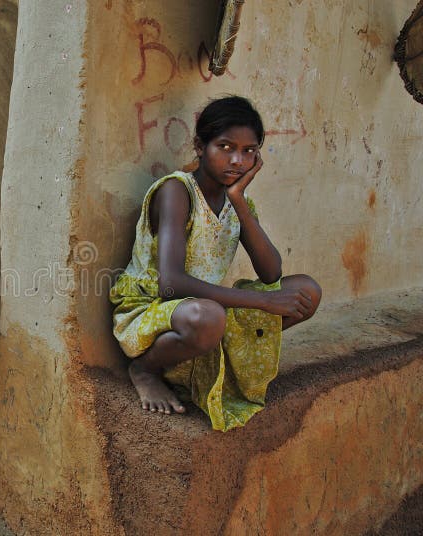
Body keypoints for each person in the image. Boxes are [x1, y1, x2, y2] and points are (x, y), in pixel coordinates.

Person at [110, 96, 321, 431]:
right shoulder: (177, 191)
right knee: (208, 316)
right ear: (200, 146)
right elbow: (170, 285)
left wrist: (238, 199)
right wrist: (262, 301)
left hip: (205, 310)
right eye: (225, 147)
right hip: (154, 310)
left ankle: (203, 361)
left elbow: (271, 273)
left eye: (249, 151)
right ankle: (146, 369)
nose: (237, 160)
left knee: (306, 291)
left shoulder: (238, 201)